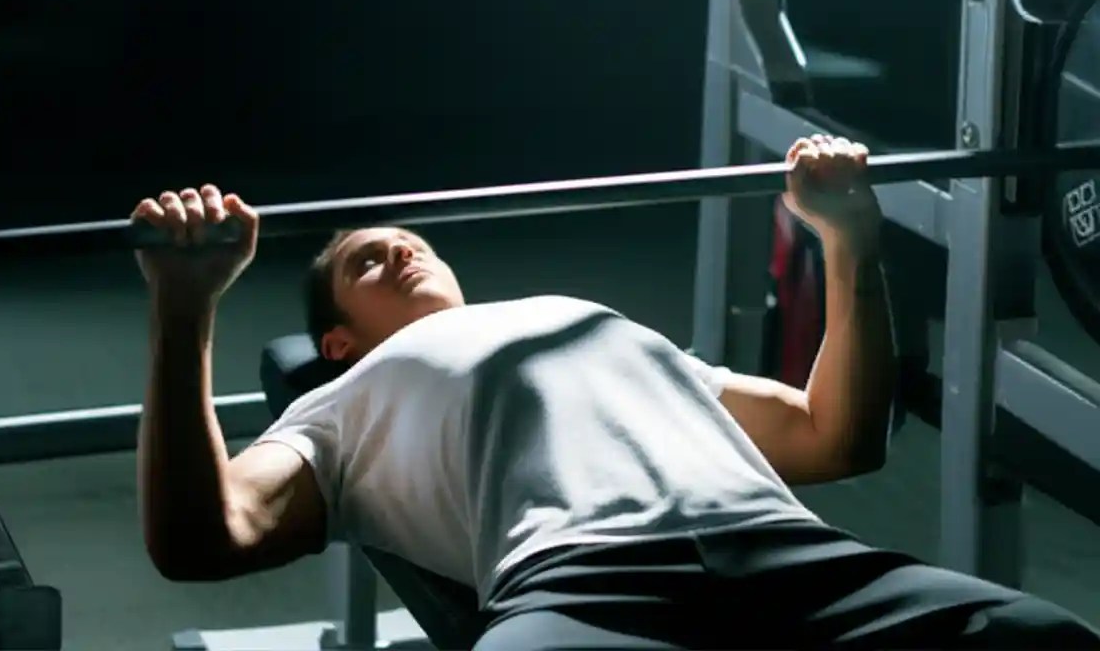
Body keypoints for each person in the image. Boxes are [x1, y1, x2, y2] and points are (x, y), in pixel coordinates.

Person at [132, 135, 1100, 649]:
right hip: (585, 596)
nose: (392, 242)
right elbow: (201, 537)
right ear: (336, 339)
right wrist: (185, 310)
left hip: (794, 561)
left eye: (400, 238)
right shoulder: (340, 401)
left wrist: (846, 242)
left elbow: (835, 437)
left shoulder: (591, 322)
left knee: (1040, 638)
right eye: (360, 261)